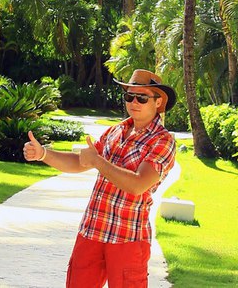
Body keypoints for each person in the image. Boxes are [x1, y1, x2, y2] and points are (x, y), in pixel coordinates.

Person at [23, 69, 177, 288]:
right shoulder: (115, 131)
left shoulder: (162, 141)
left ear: (158, 101)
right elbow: (81, 161)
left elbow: (138, 184)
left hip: (128, 238)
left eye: (142, 97)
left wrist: (98, 161)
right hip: (92, 231)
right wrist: (43, 154)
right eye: (129, 96)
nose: (134, 102)